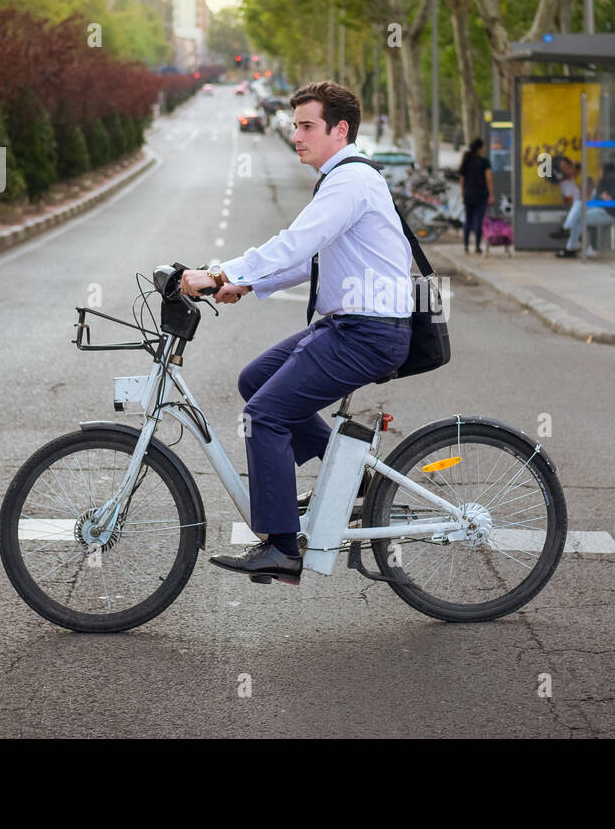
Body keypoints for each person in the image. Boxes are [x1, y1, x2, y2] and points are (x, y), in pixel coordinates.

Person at [182, 81, 413, 585]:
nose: (297, 135)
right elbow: (314, 256)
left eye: (307, 126)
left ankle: (282, 547)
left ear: (340, 129)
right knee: (254, 380)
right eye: (295, 126)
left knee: (263, 415)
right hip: (350, 325)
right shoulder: (343, 180)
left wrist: (221, 274)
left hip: (367, 332)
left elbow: (296, 242)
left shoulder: (350, 182)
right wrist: (244, 284)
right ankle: (351, 482)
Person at [552, 158, 615, 258]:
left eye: (601, 170)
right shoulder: (566, 184)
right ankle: (567, 233)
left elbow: (610, 200)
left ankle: (567, 235)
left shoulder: (614, 183)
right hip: (598, 208)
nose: (599, 172)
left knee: (578, 215)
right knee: (578, 206)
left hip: (608, 211)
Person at [458, 138, 493, 254]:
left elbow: (462, 179)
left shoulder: (466, 161)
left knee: (468, 220)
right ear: (479, 148)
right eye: (483, 147)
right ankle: (477, 246)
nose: (485, 149)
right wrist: (491, 194)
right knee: (479, 220)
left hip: (468, 194)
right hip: (481, 194)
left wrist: (463, 192)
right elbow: (489, 179)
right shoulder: (484, 162)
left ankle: (466, 245)